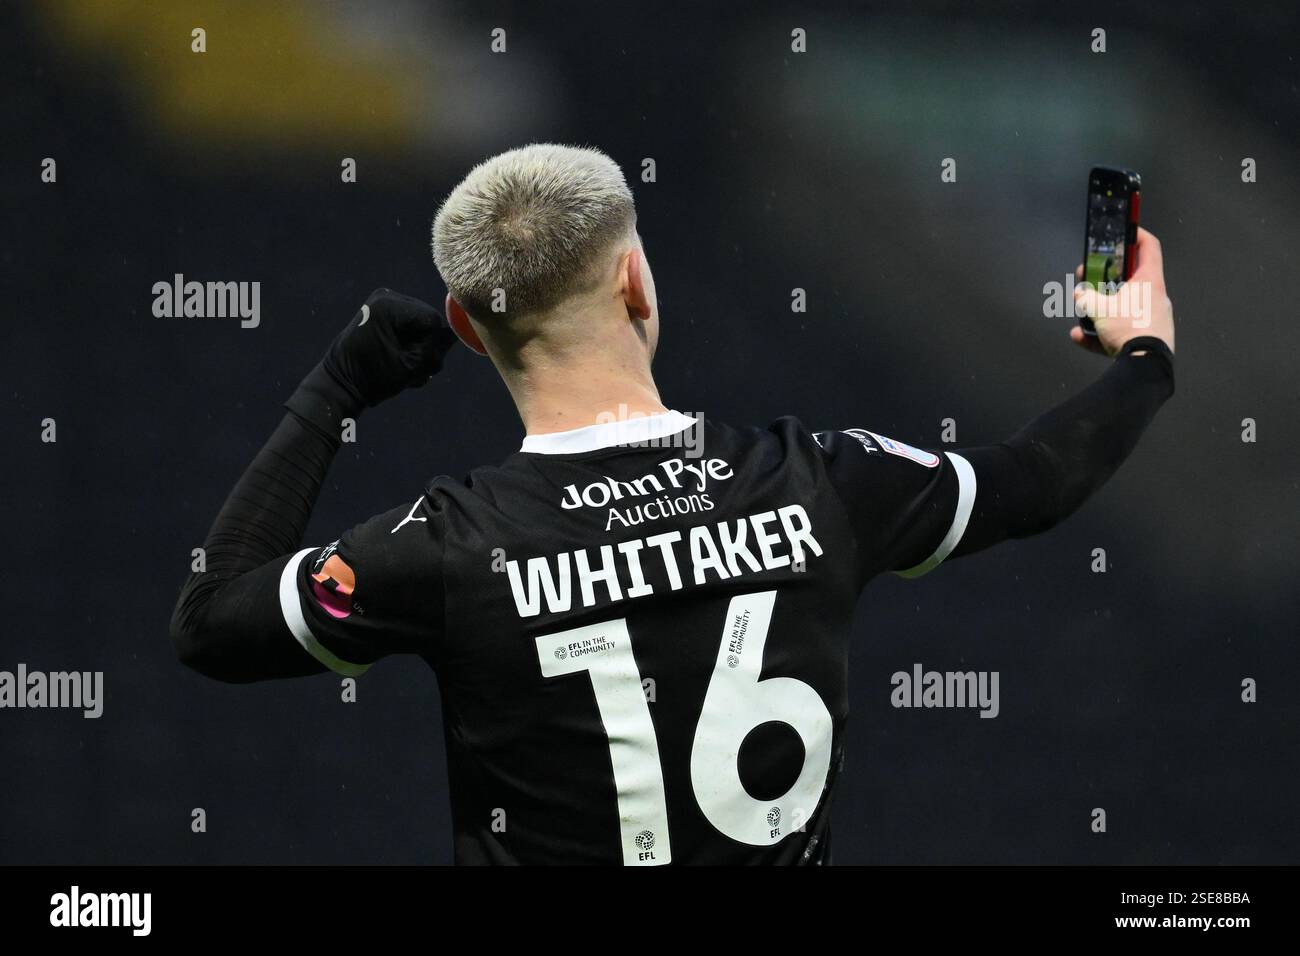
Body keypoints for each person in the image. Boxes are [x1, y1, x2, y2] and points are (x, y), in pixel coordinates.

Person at [170, 144, 1175, 865]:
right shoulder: (818, 480)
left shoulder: (444, 547)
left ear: (467, 332)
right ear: (635, 280)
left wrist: (337, 387)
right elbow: (1035, 481)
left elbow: (212, 620)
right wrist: (1143, 356)